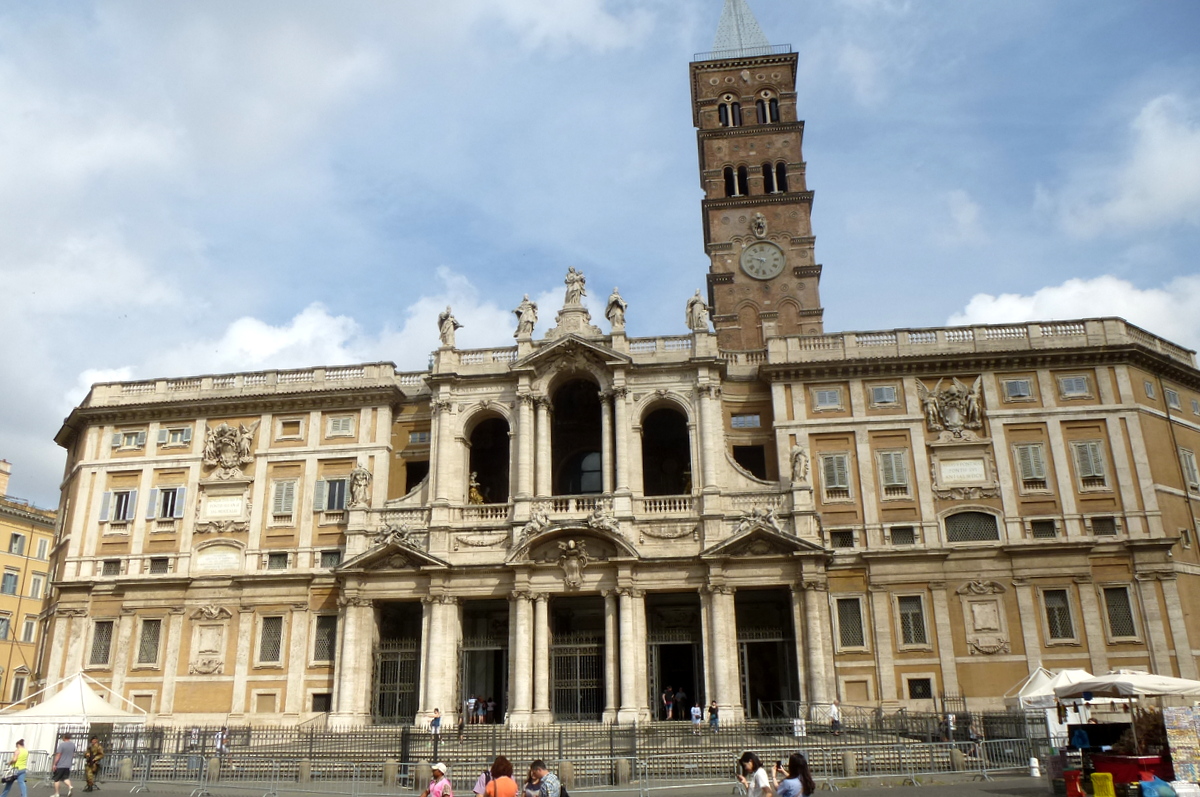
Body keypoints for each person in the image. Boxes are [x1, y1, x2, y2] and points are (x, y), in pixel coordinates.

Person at [53, 732, 76, 797]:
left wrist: (54, 764)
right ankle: (70, 786)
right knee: (65, 778)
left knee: (56, 779)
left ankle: (57, 793)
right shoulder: (73, 745)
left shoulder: (62, 745)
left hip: (61, 764)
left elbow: (58, 755)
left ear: (64, 737)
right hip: (68, 764)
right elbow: (73, 754)